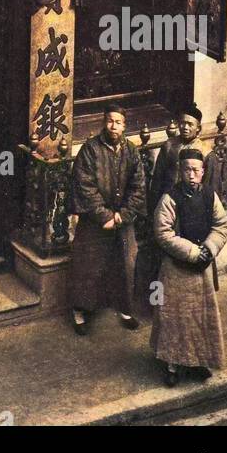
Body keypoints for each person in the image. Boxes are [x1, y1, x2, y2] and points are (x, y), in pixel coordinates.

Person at [151, 147, 227, 386]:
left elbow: (221, 225)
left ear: (203, 171)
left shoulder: (209, 195)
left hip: (202, 267)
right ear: (180, 172)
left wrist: (208, 248)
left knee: (199, 316)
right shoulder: (169, 199)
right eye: (187, 170)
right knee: (174, 318)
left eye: (196, 170)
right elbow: (163, 234)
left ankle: (197, 361)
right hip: (176, 268)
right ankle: (172, 364)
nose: (192, 174)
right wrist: (193, 252)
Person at [69, 105, 145, 335]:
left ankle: (125, 308)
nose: (114, 126)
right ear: (104, 122)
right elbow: (85, 185)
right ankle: (80, 312)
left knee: (126, 261)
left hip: (122, 218)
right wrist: (104, 215)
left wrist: (123, 214)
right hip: (96, 220)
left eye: (119, 122)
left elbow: (138, 186)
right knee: (88, 265)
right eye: (110, 121)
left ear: (125, 125)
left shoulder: (131, 151)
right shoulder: (90, 150)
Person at [135, 103, 214, 317]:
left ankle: (186, 308)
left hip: (191, 215)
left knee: (187, 263)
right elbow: (158, 180)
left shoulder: (206, 153)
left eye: (190, 124)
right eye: (182, 123)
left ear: (198, 129)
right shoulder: (169, 146)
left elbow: (209, 190)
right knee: (159, 262)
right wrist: (153, 210)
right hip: (166, 212)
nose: (185, 127)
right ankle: (155, 305)